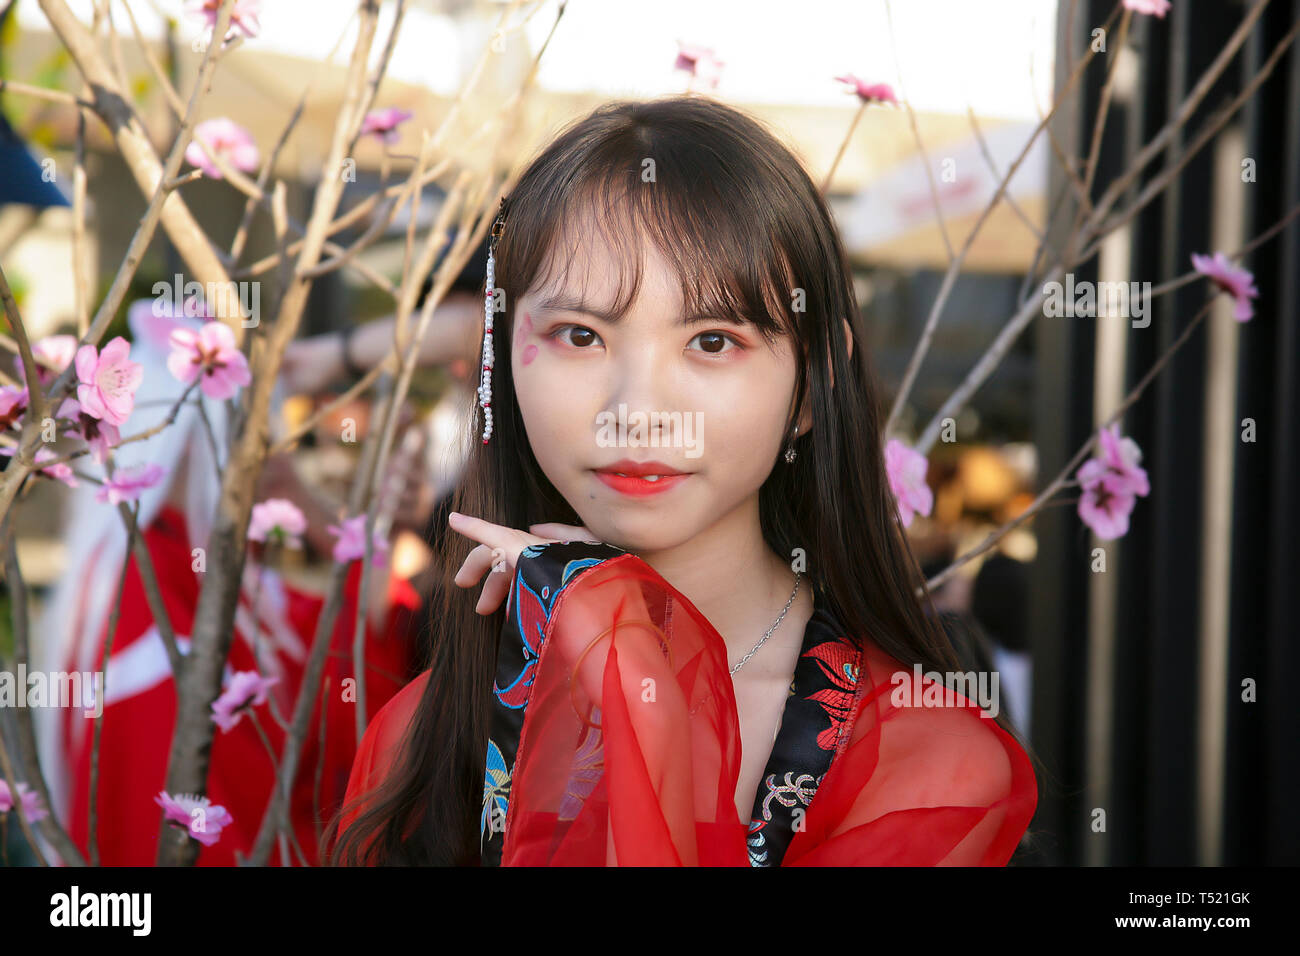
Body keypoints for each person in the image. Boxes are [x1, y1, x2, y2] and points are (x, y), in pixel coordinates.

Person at [329, 95, 1040, 867]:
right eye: (579, 335)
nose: (638, 411)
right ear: (504, 360)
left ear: (812, 383)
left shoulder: (925, 760)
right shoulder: (422, 735)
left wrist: (636, 685)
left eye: (711, 340)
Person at [33, 301, 420, 866]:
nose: (274, 461)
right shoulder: (157, 647)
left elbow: (343, 642)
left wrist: (332, 516)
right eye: (259, 447)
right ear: (201, 448)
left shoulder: (166, 571)